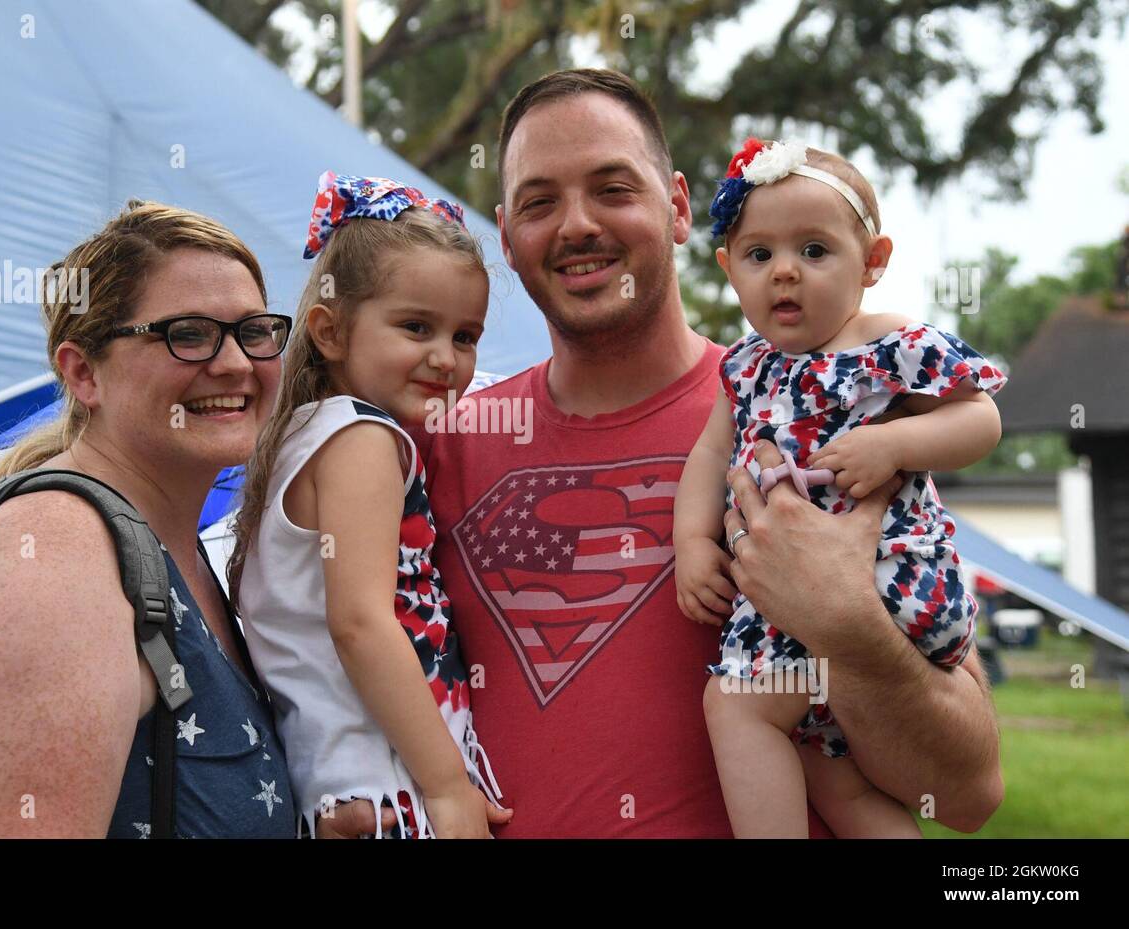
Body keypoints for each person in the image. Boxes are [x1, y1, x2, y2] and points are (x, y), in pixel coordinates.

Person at [311, 68, 1003, 839]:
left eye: (612, 189)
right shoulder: (427, 449)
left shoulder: (811, 418)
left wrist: (848, 626)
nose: (577, 225)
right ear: (505, 236)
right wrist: (341, 802)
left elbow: (967, 793)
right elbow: (331, 651)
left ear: (677, 207)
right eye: (540, 202)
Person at [0, 200, 297, 838]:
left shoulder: (164, 550)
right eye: (188, 334)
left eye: (255, 331)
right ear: (83, 373)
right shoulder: (51, 552)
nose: (237, 362)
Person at [674, 138, 1007, 838]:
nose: (785, 271)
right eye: (759, 254)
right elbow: (708, 456)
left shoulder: (890, 344)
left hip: (885, 586)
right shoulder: (746, 367)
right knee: (838, 780)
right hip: (785, 603)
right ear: (728, 268)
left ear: (872, 261)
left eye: (814, 250)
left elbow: (980, 419)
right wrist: (692, 542)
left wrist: (894, 443)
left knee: (735, 704)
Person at [229, 173, 510, 838]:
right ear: (330, 331)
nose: (445, 358)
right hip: (394, 794)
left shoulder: (302, 435)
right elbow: (360, 623)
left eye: (465, 336)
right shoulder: (361, 439)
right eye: (416, 327)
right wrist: (448, 788)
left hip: (353, 786)